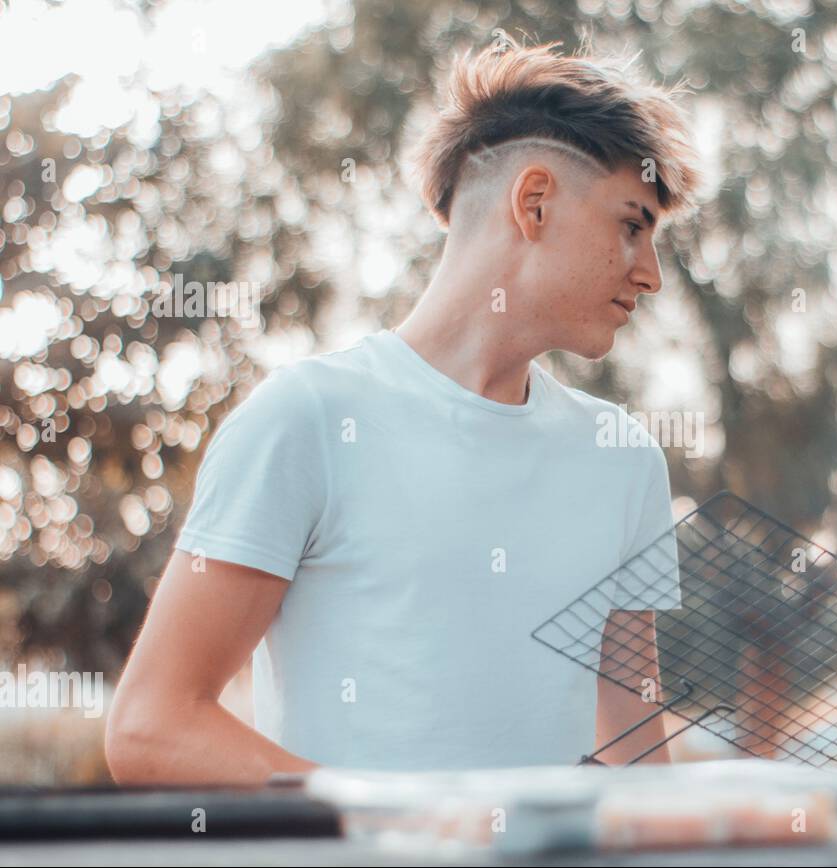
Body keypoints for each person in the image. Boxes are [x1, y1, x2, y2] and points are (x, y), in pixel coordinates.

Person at [106, 39, 701, 784]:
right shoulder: (305, 421)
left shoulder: (624, 457)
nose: (648, 274)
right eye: (631, 225)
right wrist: (387, 818)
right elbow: (150, 726)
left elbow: (638, 758)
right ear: (535, 201)